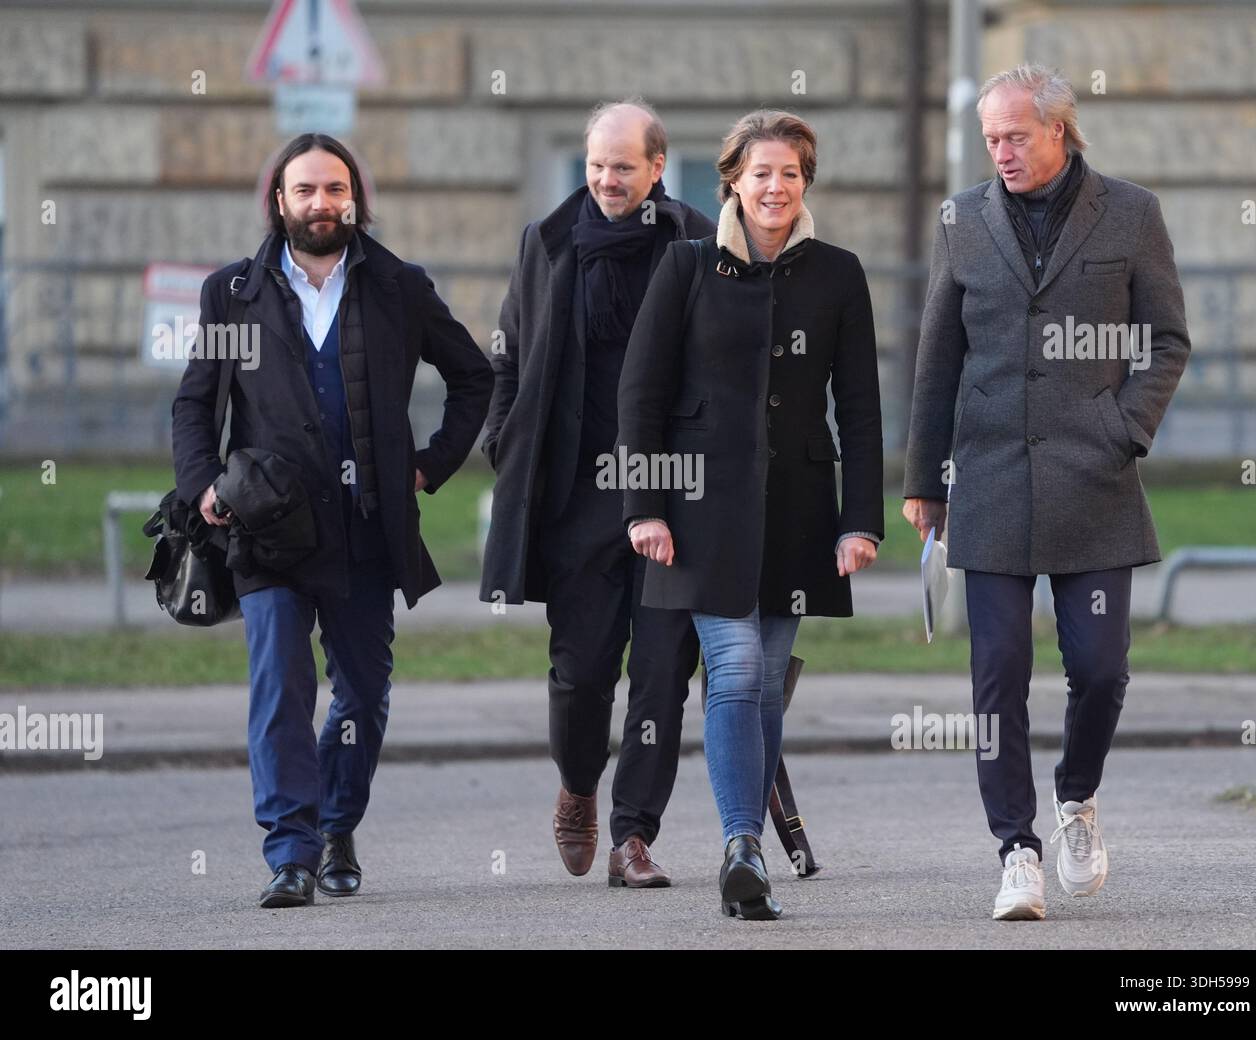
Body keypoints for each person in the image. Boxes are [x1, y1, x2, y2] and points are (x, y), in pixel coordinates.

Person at [172, 133, 493, 908]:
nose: (323, 203)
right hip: (266, 529)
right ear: (279, 201)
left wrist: (430, 463)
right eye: (306, 190)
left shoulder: (398, 287)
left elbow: (475, 376)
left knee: (363, 692)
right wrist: (203, 487)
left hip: (366, 527)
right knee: (281, 688)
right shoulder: (233, 293)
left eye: (336, 190)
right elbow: (193, 401)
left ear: (356, 199)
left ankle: (336, 827)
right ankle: (290, 852)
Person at [902, 65, 1190, 920]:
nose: (1001, 152)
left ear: (1059, 130)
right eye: (990, 139)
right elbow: (935, 360)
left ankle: (1076, 801)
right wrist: (924, 480)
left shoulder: (1132, 214)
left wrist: (1123, 427)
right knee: (998, 674)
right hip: (986, 479)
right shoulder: (960, 219)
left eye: (1015, 136)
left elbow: (1165, 340)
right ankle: (1016, 849)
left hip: (1094, 480)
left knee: (1100, 671)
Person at [618, 110, 884, 919]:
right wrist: (644, 506)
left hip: (800, 509)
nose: (776, 187)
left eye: (791, 173)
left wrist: (860, 519)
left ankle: (749, 849)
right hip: (698, 509)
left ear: (807, 182)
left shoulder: (838, 273)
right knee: (733, 668)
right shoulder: (687, 267)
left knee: (766, 680)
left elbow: (862, 408)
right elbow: (642, 393)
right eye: (761, 172)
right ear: (731, 179)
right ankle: (744, 846)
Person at [479, 99, 716, 888]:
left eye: (624, 166)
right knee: (581, 672)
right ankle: (578, 786)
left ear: (657, 166)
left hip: (675, 497)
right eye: (596, 165)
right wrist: (506, 439)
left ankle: (632, 836)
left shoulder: (697, 240)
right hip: (579, 496)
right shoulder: (546, 243)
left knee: (660, 672)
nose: (608, 180)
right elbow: (509, 352)